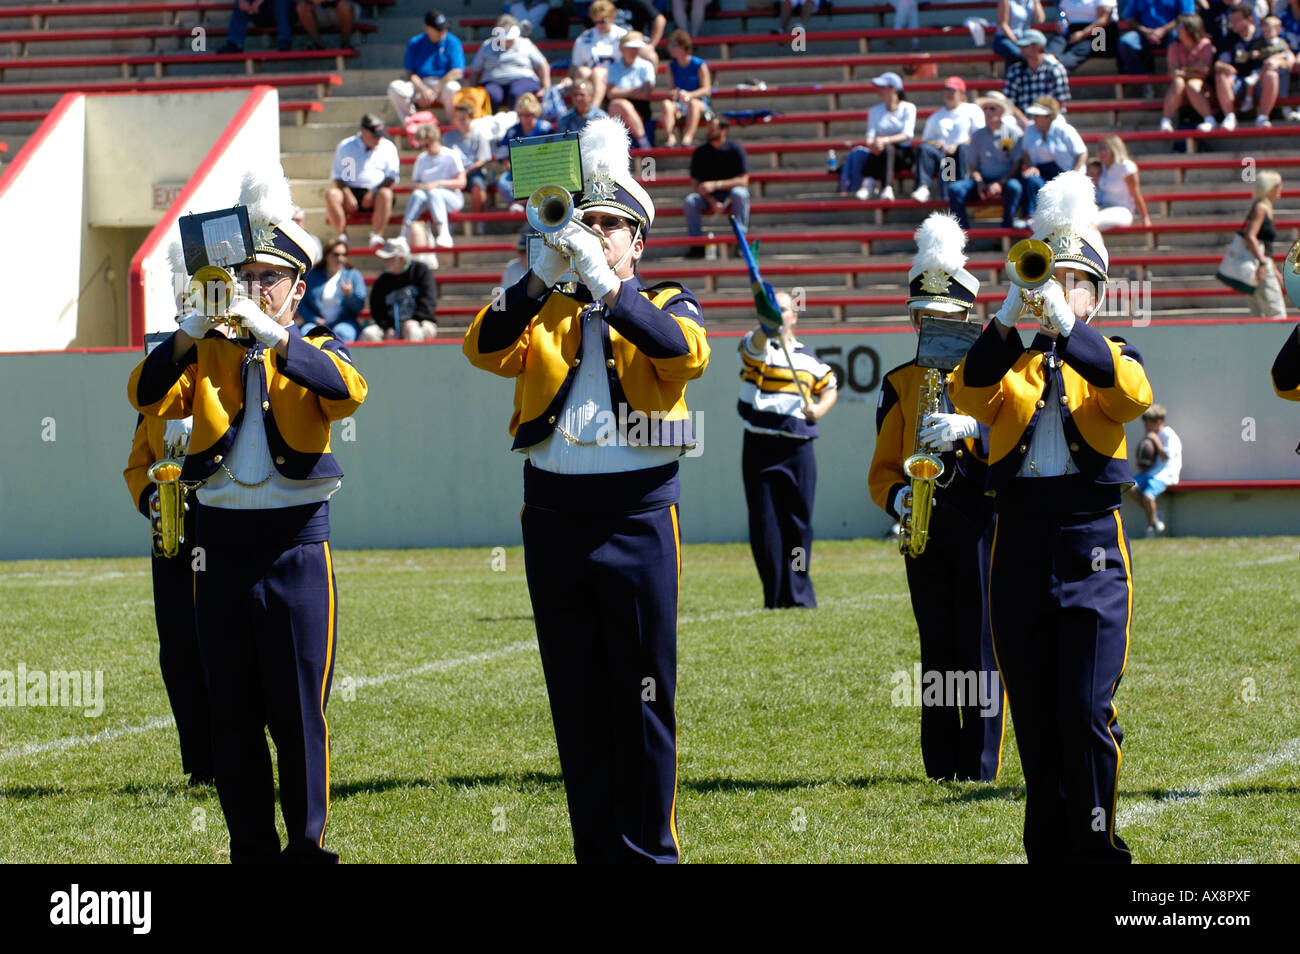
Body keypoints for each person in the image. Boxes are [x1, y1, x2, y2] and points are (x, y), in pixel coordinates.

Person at [463, 117, 710, 863]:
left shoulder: (667, 298)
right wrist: (541, 273)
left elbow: (685, 356)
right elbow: (483, 348)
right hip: (555, 514)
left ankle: (651, 853)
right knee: (577, 699)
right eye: (586, 220)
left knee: (642, 696)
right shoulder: (544, 303)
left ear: (638, 241)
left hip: (637, 516)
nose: (595, 232)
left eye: (611, 225)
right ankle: (597, 852)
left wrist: (611, 289)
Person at [128, 170, 368, 863]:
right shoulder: (204, 347)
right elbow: (144, 395)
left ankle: (309, 846)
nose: (253, 287)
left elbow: (346, 391)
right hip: (220, 546)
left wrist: (275, 337)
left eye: (270, 277)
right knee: (230, 714)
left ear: (297, 288)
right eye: (246, 274)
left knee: (297, 715)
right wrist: (185, 334)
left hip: (296, 546)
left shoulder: (317, 339)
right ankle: (250, 851)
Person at [949, 169, 1153, 862]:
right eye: (1050, 276)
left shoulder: (1114, 355)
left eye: (1074, 279)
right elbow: (968, 391)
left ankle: (1099, 851)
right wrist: (1010, 311)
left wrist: (1068, 325)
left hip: (1092, 542)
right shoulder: (1012, 366)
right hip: (1021, 540)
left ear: (1096, 293)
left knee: (1086, 713)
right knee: (1036, 720)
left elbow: (1129, 397)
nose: (1058, 289)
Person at [869, 212, 1005, 783]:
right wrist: (899, 500)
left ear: (965, 318)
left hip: (978, 520)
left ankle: (977, 760)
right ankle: (940, 760)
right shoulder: (900, 381)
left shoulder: (991, 376)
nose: (930, 326)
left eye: (942, 317)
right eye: (921, 317)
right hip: (922, 524)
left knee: (977, 640)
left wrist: (971, 429)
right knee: (937, 642)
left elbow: (1010, 446)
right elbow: (881, 468)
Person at [123, 409, 214, 787]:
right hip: (172, 532)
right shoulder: (155, 394)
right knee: (178, 646)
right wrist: (153, 502)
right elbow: (138, 465)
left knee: (226, 641)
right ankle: (200, 763)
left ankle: (237, 751)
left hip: (221, 522)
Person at [738, 290, 838, 609]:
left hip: (799, 449)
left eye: (782, 310)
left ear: (794, 315)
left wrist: (819, 411)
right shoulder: (758, 345)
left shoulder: (810, 359)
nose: (778, 315)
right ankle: (774, 593)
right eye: (771, 310)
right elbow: (751, 349)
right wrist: (763, 327)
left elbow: (830, 387)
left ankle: (797, 590)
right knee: (765, 525)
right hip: (760, 445)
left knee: (798, 524)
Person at [947, 91, 1025, 230]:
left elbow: (1016, 164)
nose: (988, 112)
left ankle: (1006, 228)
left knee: (1015, 187)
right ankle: (963, 232)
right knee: (954, 189)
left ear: (1001, 111)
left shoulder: (1013, 133)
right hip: (983, 180)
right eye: (985, 108)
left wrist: (1000, 184)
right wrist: (979, 182)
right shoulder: (977, 135)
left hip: (1005, 180)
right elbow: (972, 166)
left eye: (992, 108)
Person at [838, 72, 917, 202]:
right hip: (879, 152)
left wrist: (884, 140)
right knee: (882, 149)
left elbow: (907, 134)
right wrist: (873, 144)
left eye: (883, 87)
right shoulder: (875, 110)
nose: (878, 90)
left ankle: (872, 182)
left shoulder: (908, 108)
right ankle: (883, 187)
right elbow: (870, 135)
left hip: (902, 155)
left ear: (893, 89)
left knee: (887, 148)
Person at [325, 114, 400, 249]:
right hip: (351, 191)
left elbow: (391, 177)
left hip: (377, 193)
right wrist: (347, 194)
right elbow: (338, 176)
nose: (378, 139)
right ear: (364, 132)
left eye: (380, 135)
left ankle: (377, 236)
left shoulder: (388, 146)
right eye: (375, 135)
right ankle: (342, 237)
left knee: (386, 194)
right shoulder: (346, 146)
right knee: (332, 194)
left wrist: (374, 192)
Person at [684, 115, 750, 258]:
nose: (709, 132)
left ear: (724, 130)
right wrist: (712, 201)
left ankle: (742, 242)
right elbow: (695, 184)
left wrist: (716, 185)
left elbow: (744, 181)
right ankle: (696, 245)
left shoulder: (735, 149)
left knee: (740, 193)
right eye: (708, 129)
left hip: (730, 194)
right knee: (690, 201)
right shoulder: (701, 152)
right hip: (707, 196)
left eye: (713, 129)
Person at [912, 75, 985, 204]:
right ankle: (927, 188)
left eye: (952, 91)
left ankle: (964, 184)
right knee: (939, 156)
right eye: (946, 91)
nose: (948, 94)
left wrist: (958, 144)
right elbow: (927, 140)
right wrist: (938, 143)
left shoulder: (972, 110)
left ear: (961, 93)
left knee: (961, 150)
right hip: (945, 156)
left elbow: (980, 135)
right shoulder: (936, 116)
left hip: (966, 152)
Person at [1215, 3, 1287, 128]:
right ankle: (1230, 118)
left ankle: (1263, 118)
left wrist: (1277, 60)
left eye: (1237, 20)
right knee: (1221, 75)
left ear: (1250, 19)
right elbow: (1218, 63)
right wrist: (1223, 66)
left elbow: (1287, 56)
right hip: (1238, 83)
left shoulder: (1264, 35)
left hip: (1260, 81)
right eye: (1231, 20)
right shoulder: (1229, 39)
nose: (1233, 24)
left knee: (1271, 75)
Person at [387, 10, 466, 121]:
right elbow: (409, 73)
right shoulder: (416, 42)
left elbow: (457, 72)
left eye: (444, 28)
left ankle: (455, 126)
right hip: (420, 84)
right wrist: (423, 90)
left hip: (443, 84)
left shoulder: (452, 41)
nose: (443, 32)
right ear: (427, 28)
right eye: (438, 29)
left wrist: (435, 90)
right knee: (395, 87)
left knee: (453, 88)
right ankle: (411, 124)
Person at [1017, 95, 1086, 219]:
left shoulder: (1064, 129)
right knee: (1031, 180)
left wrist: (1073, 175)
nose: (1034, 118)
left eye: (1038, 115)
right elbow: (1025, 152)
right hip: (1042, 170)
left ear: (1048, 117)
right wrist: (1031, 167)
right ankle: (1032, 217)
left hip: (1064, 171)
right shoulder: (1030, 130)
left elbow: (1081, 152)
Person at [465, 14, 551, 111]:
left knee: (517, 93)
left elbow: (542, 64)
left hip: (522, 79)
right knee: (492, 95)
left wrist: (546, 87)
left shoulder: (525, 43)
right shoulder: (487, 45)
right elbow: (475, 69)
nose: (509, 40)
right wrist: (472, 89)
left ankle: (517, 123)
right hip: (493, 81)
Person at [403, 123, 466, 249]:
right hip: (427, 198)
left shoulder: (451, 155)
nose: (425, 149)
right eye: (422, 146)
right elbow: (414, 183)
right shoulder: (421, 159)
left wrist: (438, 184)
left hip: (451, 198)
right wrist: (423, 187)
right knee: (417, 195)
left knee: (435, 193)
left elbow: (461, 182)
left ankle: (444, 233)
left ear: (436, 139)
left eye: (427, 145)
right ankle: (403, 235)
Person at [1233, 170, 1287, 317]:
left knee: (1259, 315)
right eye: (1278, 185)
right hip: (1260, 265)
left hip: (1259, 264)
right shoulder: (1261, 207)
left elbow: (1264, 243)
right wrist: (1264, 263)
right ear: (1269, 188)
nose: (1281, 188)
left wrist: (1274, 269)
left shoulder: (1262, 207)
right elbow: (1250, 236)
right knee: (1276, 314)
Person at [367, 236, 439, 340]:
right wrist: (387, 327)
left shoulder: (421, 271)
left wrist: (416, 319)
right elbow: (377, 310)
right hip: (390, 325)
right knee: (369, 334)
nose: (386, 262)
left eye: (390, 258)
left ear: (402, 258)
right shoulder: (382, 280)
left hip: (420, 321)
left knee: (412, 331)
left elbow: (429, 301)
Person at [493, 91, 555, 208]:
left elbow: (553, 154)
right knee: (503, 182)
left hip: (542, 171)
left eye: (529, 115)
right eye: (522, 115)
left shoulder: (545, 129)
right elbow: (503, 156)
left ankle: (526, 204)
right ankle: (523, 204)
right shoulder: (512, 131)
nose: (525, 118)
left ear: (535, 113)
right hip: (519, 173)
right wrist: (511, 166)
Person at [1128, 404, 1182, 535]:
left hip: (1165, 475)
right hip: (1152, 473)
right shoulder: (1152, 434)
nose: (1146, 428)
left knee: (1148, 496)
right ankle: (1155, 516)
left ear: (1158, 422)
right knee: (1130, 486)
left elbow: (1166, 458)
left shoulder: (1169, 435)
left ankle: (1151, 528)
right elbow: (1147, 458)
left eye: (1149, 424)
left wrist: (1155, 441)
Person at [300, 238, 367, 341]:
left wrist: (349, 295)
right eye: (336, 254)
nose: (340, 258)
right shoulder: (313, 275)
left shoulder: (353, 274)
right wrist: (315, 319)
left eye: (344, 255)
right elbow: (301, 304)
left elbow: (359, 305)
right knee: (306, 332)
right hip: (316, 323)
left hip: (345, 322)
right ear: (327, 255)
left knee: (343, 333)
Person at [1161, 13, 1218, 130]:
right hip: (1181, 89)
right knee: (1178, 82)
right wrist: (1193, 68)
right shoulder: (1174, 46)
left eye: (1180, 25)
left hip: (1206, 89)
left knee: (1192, 84)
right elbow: (1173, 72)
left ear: (1191, 27)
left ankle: (1210, 119)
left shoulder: (1205, 44)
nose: (1177, 29)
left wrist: (1183, 71)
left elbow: (1204, 71)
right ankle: (1166, 120)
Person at [1003, 29, 1071, 125]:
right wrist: (1024, 121)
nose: (1021, 49)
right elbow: (1009, 102)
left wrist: (1042, 123)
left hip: (1050, 118)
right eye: (1021, 46)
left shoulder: (1055, 68)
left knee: (1059, 121)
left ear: (1038, 47)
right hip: (1022, 120)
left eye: (1025, 46)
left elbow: (1060, 102)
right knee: (1007, 121)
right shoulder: (1015, 70)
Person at [605, 32, 658, 149]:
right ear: (622, 48)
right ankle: (644, 142)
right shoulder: (614, 67)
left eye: (636, 48)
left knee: (619, 103)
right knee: (619, 104)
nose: (634, 51)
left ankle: (643, 143)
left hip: (641, 109)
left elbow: (646, 94)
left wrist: (621, 92)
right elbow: (610, 94)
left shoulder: (646, 66)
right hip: (618, 110)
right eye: (631, 47)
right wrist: (634, 90)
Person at [572, 0, 629, 107]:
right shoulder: (585, 37)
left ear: (612, 17)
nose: (600, 25)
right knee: (582, 71)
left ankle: (594, 109)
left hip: (616, 77)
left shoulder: (622, 35)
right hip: (591, 79)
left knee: (598, 72)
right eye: (596, 22)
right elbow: (576, 64)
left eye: (603, 21)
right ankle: (581, 109)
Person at [442, 100, 495, 216]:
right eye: (458, 118)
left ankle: (478, 221)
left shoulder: (479, 136)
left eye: (464, 118)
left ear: (471, 119)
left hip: (473, 172)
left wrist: (466, 172)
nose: (460, 121)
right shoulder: (447, 137)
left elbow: (483, 160)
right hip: (452, 173)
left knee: (478, 187)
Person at [1117, 0, 1195, 78]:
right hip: (1144, 34)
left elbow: (1185, 16)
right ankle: (1143, 79)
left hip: (1171, 32)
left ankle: (1180, 74)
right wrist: (1146, 31)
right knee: (1126, 42)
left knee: (1178, 37)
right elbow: (1130, 18)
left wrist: (1163, 30)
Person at [661, 30, 712, 149]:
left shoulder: (699, 64)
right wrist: (674, 93)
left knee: (693, 104)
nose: (670, 48)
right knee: (666, 105)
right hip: (680, 102)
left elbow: (706, 89)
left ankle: (687, 137)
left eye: (674, 45)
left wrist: (690, 95)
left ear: (683, 45)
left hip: (698, 102)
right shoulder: (671, 66)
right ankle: (671, 136)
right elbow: (671, 89)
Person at [1093, 134, 1151, 231]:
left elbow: (1136, 193)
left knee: (1092, 223)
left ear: (1114, 149)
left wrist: (1145, 218)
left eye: (1104, 148)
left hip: (1122, 211)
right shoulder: (1102, 167)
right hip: (1102, 207)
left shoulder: (1126, 167)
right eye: (1099, 148)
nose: (1100, 151)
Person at [1047, 0, 1118, 70]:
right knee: (1054, 46)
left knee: (1077, 51)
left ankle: (1056, 69)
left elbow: (1104, 19)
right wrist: (1060, 23)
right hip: (1070, 31)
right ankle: (1046, 66)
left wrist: (1082, 34)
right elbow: (1062, 13)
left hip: (1097, 33)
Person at [219, 0, 292, 53]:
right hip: (258, 11)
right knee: (242, 2)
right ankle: (235, 43)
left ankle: (284, 40)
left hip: (285, 12)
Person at [992, 0, 1047, 65]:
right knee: (1018, 54)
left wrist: (1036, 2)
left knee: (1038, 55)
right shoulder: (1006, 1)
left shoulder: (1031, 1)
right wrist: (1018, 43)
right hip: (1005, 38)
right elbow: (1003, 24)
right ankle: (1013, 74)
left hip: (1024, 40)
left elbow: (1040, 20)